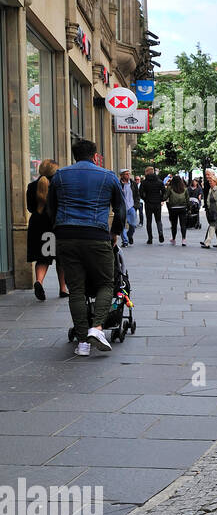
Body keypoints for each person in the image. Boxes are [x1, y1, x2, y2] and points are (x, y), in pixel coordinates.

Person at [47, 139, 126, 356]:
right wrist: (115, 233)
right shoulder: (107, 176)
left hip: (66, 235)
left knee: (76, 289)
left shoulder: (60, 176)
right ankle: (97, 328)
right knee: (105, 283)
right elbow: (120, 210)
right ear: (95, 155)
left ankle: (82, 342)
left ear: (74, 155)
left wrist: (59, 229)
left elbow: (50, 208)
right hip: (96, 235)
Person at [26, 160, 67, 300]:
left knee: (42, 258)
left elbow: (30, 208)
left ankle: (39, 281)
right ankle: (63, 288)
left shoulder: (31, 186)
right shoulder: (58, 186)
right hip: (55, 225)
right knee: (61, 259)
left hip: (37, 226)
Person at [201, 170, 217, 249]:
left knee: (213, 225)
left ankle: (207, 242)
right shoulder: (207, 184)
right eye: (206, 175)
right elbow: (205, 197)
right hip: (209, 209)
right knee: (216, 226)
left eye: (209, 174)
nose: (207, 176)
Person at [139, 166, 165, 243]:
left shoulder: (144, 182)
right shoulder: (159, 181)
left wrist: (145, 199)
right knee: (158, 220)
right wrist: (161, 199)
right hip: (157, 203)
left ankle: (150, 238)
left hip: (148, 203)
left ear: (147, 172)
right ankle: (160, 234)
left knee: (149, 221)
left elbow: (140, 193)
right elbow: (164, 191)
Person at [166, 172, 189, 245]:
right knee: (183, 224)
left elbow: (165, 197)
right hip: (182, 208)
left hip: (173, 208)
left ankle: (173, 238)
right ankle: (184, 239)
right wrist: (188, 207)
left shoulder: (170, 188)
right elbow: (187, 199)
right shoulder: (184, 189)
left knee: (174, 224)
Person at [118, 170, 138, 246]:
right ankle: (125, 241)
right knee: (122, 225)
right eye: (126, 174)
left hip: (131, 207)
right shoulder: (118, 184)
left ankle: (129, 236)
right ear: (122, 176)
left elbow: (137, 195)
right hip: (121, 208)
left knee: (132, 225)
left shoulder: (133, 184)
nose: (128, 175)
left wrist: (136, 205)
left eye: (129, 174)